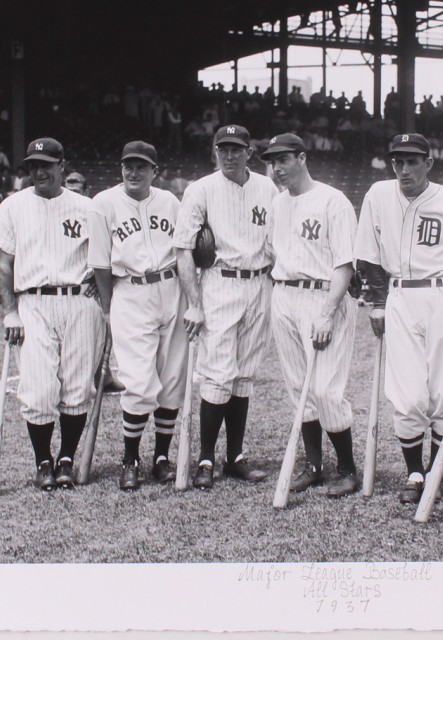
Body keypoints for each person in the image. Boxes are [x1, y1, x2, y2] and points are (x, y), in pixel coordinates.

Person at [353, 132, 443, 503]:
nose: (404, 169)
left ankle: (435, 469)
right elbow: (367, 253)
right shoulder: (377, 194)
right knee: (406, 396)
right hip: (399, 296)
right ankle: (415, 473)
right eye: (398, 162)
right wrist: (375, 303)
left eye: (412, 161)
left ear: (428, 163)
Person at [0, 138, 105, 491]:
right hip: (33, 302)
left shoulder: (87, 207)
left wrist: (101, 282)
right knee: (37, 390)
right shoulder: (12, 207)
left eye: (46, 165)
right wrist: (10, 313)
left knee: (78, 386)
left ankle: (66, 458)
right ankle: (43, 461)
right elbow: (3, 265)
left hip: (79, 301)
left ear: (61, 166)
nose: (39, 171)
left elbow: (104, 256)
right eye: (33, 166)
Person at [172, 125, 278, 489]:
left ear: (249, 151)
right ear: (214, 152)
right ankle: (205, 458)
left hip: (259, 282)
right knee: (218, 375)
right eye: (222, 149)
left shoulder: (267, 187)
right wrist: (194, 304)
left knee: (244, 374)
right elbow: (184, 249)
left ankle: (234, 457)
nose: (229, 155)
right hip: (219, 282)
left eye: (236, 149)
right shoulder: (200, 189)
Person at [261, 133, 360, 497]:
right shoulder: (277, 204)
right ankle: (315, 466)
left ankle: (348, 469)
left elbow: (345, 263)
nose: (277, 168)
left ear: (302, 158)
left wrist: (328, 313)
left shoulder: (333, 200)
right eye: (272, 162)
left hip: (322, 297)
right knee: (299, 387)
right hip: (284, 293)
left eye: (284, 159)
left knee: (326, 390)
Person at [88, 141, 190, 489]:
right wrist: (106, 306)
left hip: (172, 288)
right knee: (139, 380)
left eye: (141, 167)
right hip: (130, 291)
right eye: (128, 166)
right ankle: (130, 458)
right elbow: (100, 263)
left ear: (154, 171)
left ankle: (161, 457)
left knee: (172, 377)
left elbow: (185, 250)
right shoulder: (103, 203)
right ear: (120, 169)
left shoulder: (170, 202)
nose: (134, 172)